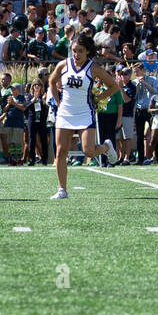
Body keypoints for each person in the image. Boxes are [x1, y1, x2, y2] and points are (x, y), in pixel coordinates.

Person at [49, 31, 119, 198]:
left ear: (87, 51)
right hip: (65, 113)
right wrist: (58, 103)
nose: (76, 54)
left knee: (88, 151)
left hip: (85, 113)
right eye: (74, 50)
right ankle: (62, 190)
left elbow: (114, 86)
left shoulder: (93, 68)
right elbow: (52, 82)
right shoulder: (63, 65)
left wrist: (98, 98)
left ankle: (106, 147)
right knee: (60, 152)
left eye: (80, 50)